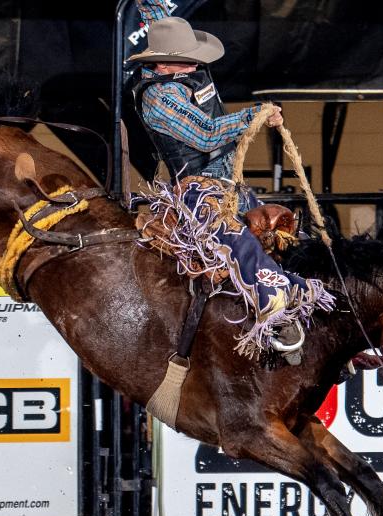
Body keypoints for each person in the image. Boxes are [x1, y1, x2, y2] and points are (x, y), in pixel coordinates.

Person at [129, 0, 333, 361]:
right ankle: (275, 309)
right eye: (185, 57)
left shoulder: (174, 62)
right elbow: (205, 134)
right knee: (239, 242)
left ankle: (313, 321)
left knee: (284, 237)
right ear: (160, 62)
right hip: (196, 192)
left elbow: (158, 12)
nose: (195, 62)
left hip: (228, 188)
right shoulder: (158, 98)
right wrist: (253, 115)